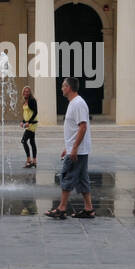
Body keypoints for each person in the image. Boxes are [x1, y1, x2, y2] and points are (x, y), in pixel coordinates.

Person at [46, 77, 94, 219]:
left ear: (69, 88)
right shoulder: (74, 103)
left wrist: (74, 148)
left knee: (67, 176)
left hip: (77, 151)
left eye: (63, 86)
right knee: (82, 180)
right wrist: (68, 147)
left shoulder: (77, 104)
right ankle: (89, 208)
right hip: (77, 149)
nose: (61, 88)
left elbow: (83, 127)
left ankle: (61, 208)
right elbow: (74, 129)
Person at [20, 86, 38, 168]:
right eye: (25, 91)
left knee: (24, 140)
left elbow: (35, 112)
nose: (26, 93)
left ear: (30, 92)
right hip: (28, 123)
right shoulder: (24, 100)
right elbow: (26, 113)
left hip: (32, 123)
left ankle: (29, 160)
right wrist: (23, 121)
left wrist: (29, 122)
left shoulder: (32, 100)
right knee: (32, 142)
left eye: (27, 91)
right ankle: (34, 161)